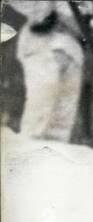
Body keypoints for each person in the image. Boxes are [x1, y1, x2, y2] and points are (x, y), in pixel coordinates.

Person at [9, 0, 82, 142]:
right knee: (38, 118)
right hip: (43, 46)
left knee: (62, 124)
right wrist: (45, 11)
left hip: (73, 52)